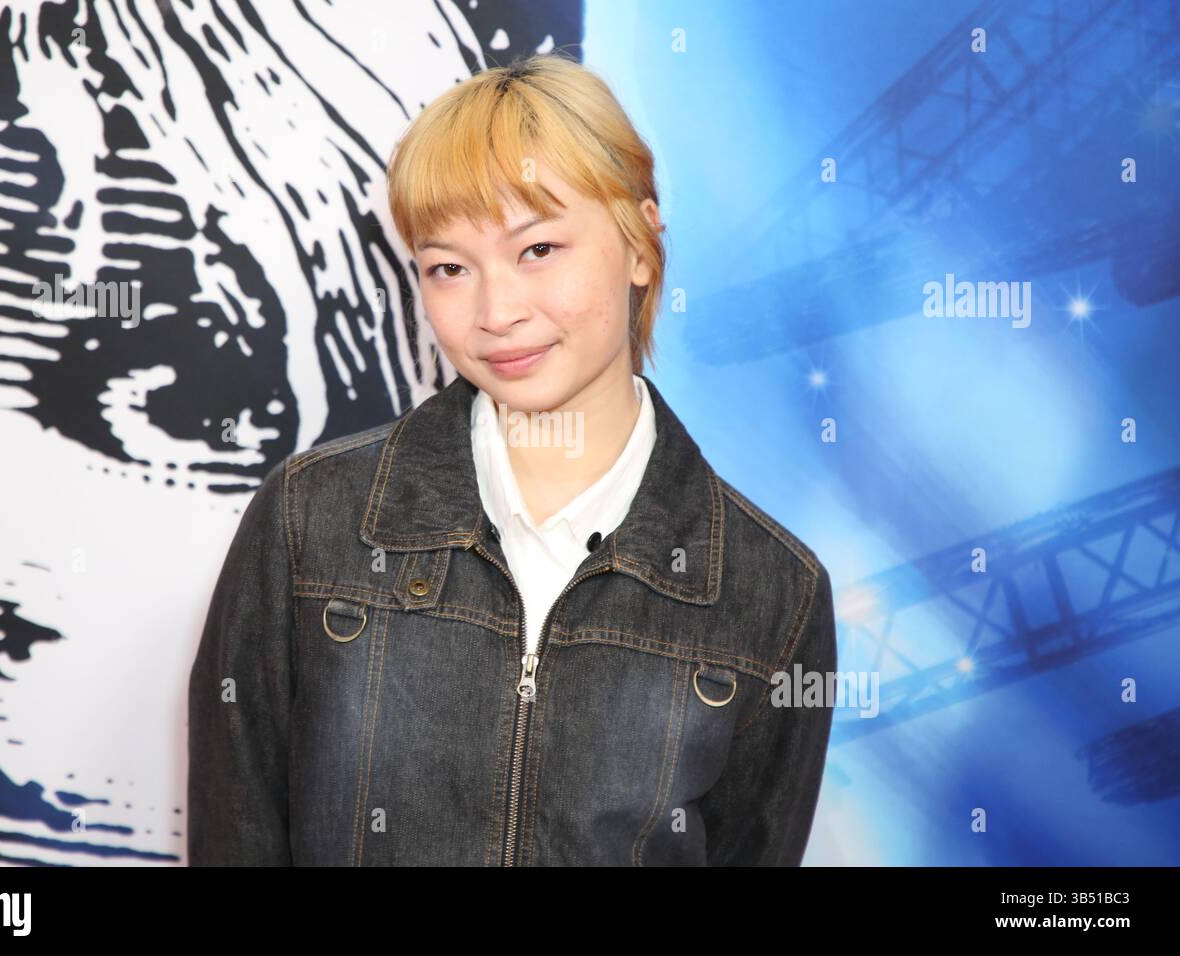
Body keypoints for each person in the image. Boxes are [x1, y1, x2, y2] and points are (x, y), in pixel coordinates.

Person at [188, 51, 837, 866]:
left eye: (537, 250)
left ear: (640, 244)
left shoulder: (772, 589)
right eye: (449, 268)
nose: (496, 312)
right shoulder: (307, 520)